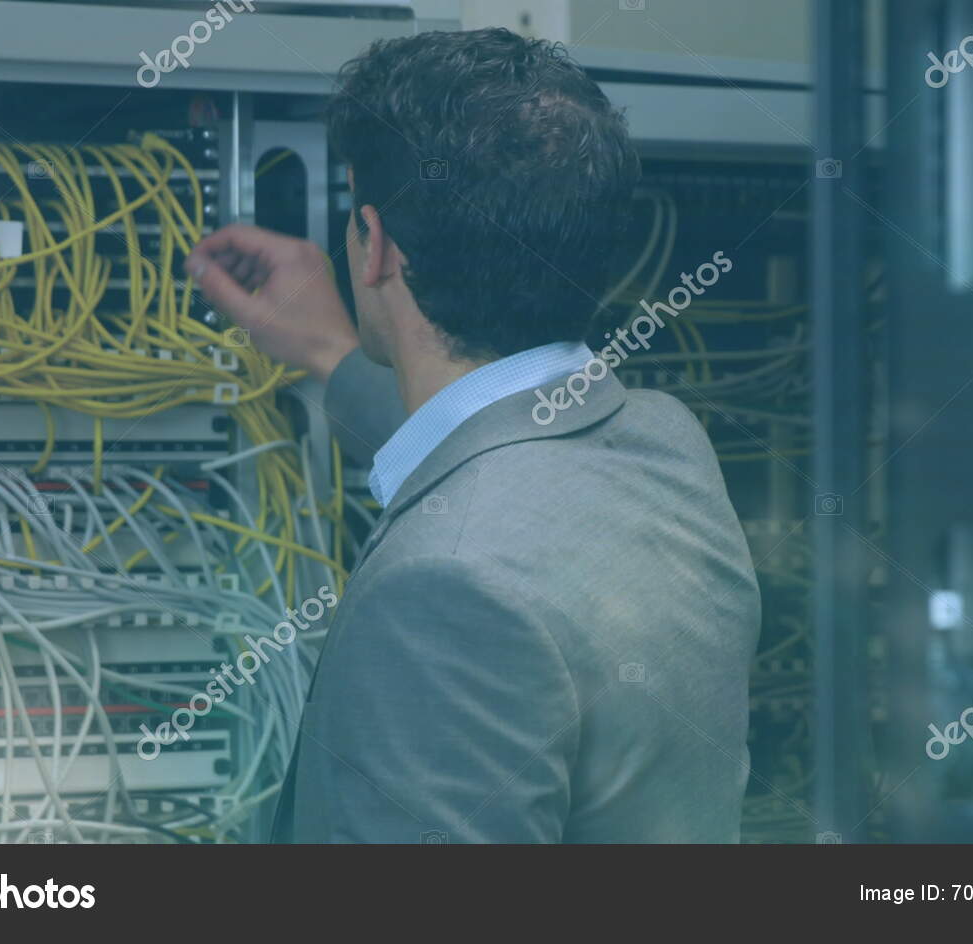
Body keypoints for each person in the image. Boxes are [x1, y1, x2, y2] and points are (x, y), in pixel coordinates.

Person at [187, 28, 760, 843]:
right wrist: (327, 350)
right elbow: (503, 460)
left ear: (375, 245)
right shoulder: (666, 444)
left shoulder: (446, 591)